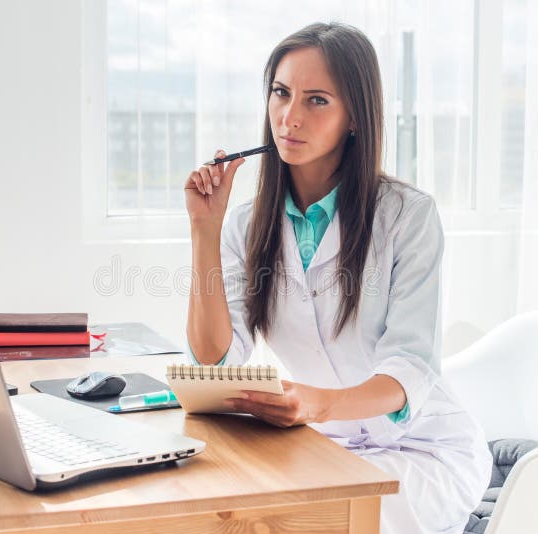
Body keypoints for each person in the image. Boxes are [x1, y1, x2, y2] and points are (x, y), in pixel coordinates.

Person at [183, 22, 492, 534]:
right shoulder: (243, 225)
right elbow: (216, 358)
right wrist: (204, 229)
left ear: (354, 118)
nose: (290, 117)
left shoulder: (408, 217)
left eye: (317, 100)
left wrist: (320, 402)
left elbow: (408, 369)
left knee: (302, 522)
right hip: (325, 442)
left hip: (420, 450)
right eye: (281, 93)